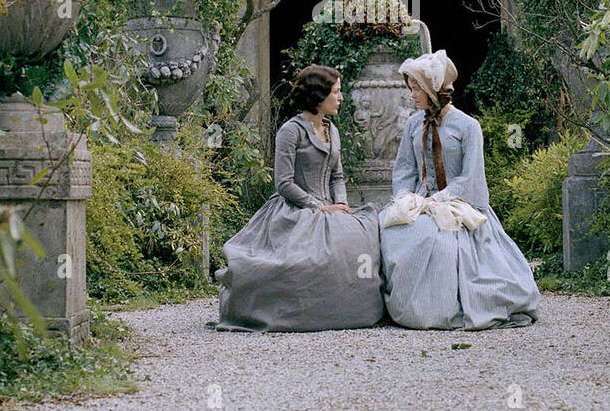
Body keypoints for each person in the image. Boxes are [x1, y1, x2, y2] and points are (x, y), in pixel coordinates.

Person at [215, 65, 385, 331]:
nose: (340, 98)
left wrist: (342, 206)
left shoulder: (333, 130)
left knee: (360, 246)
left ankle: (352, 309)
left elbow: (337, 177)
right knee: (293, 265)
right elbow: (284, 183)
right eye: (336, 92)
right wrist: (319, 207)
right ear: (319, 95)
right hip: (295, 209)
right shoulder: (290, 131)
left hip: (332, 208)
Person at [379, 50, 540, 330]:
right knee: (392, 231)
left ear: (433, 90)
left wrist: (440, 199)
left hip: (459, 203)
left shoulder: (468, 126)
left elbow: (470, 178)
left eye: (417, 88)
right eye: (411, 88)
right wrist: (407, 197)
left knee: (438, 242)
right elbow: (404, 167)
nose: (412, 94)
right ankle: (403, 305)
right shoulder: (413, 124)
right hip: (420, 199)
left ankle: (440, 309)